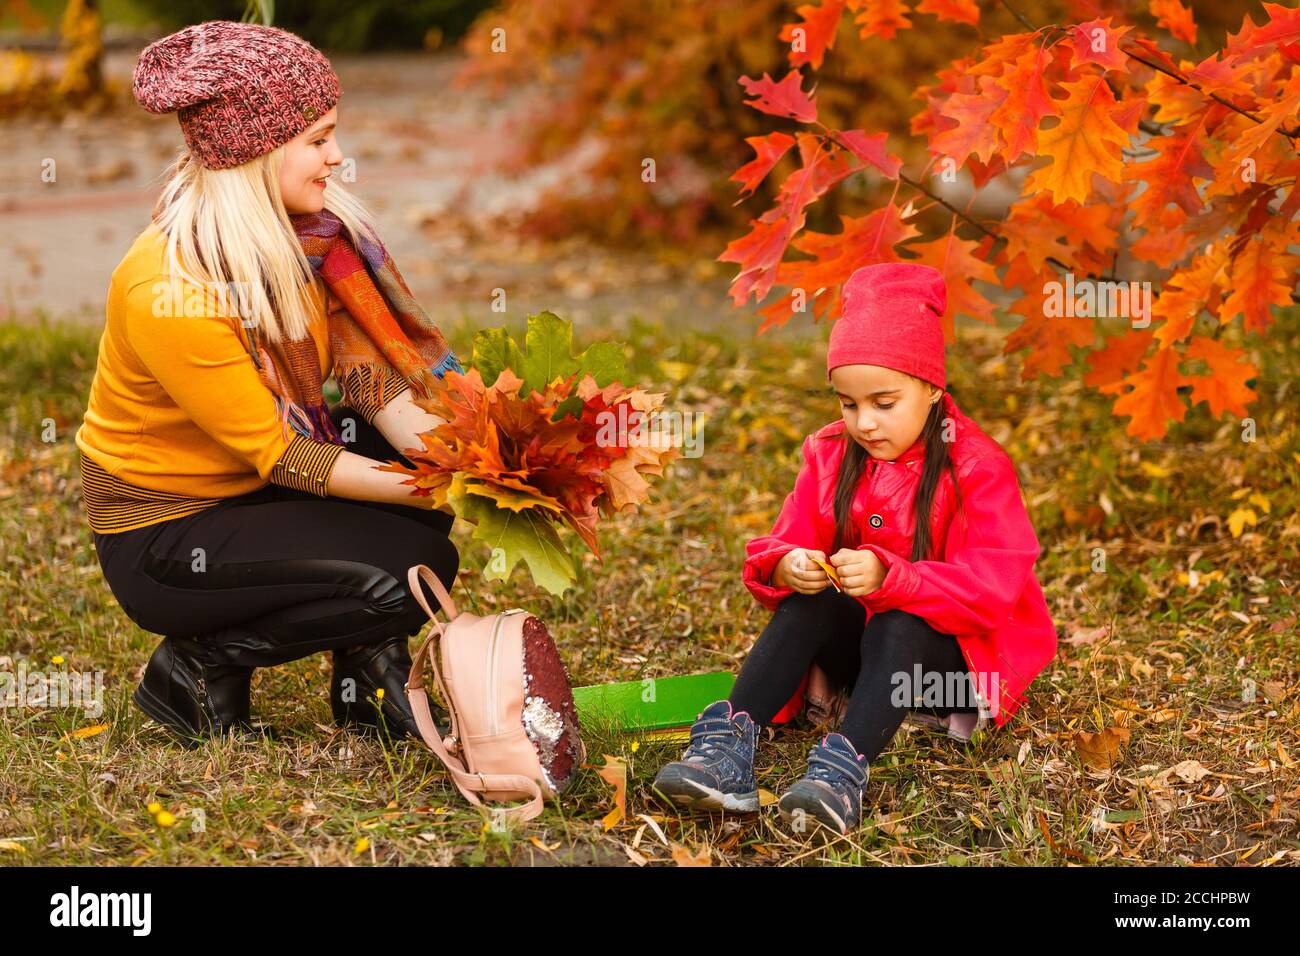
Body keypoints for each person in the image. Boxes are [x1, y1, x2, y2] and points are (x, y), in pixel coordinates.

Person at [74, 21, 461, 748]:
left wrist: (463, 454)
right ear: (256, 152)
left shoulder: (314, 239)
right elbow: (281, 454)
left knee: (415, 474)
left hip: (248, 494)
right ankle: (196, 667)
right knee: (412, 570)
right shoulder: (169, 286)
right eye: (319, 138)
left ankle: (370, 682)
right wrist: (436, 484)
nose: (337, 157)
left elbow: (370, 380)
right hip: (166, 533)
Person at [652, 262, 1058, 834]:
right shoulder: (829, 454)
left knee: (900, 619)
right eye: (848, 403)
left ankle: (843, 772)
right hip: (861, 661)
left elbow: (992, 594)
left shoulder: (977, 467)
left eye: (884, 403)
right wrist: (786, 564)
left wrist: (896, 579)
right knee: (810, 604)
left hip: (947, 673)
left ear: (933, 392)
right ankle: (725, 748)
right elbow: (786, 537)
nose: (863, 422)